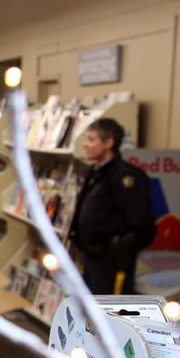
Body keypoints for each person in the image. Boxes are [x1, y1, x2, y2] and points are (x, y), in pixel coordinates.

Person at [68, 118, 157, 295]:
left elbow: (140, 220)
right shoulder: (96, 172)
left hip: (112, 259)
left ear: (108, 143)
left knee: (111, 308)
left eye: (91, 140)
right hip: (92, 255)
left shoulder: (127, 176)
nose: (85, 145)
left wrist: (119, 245)